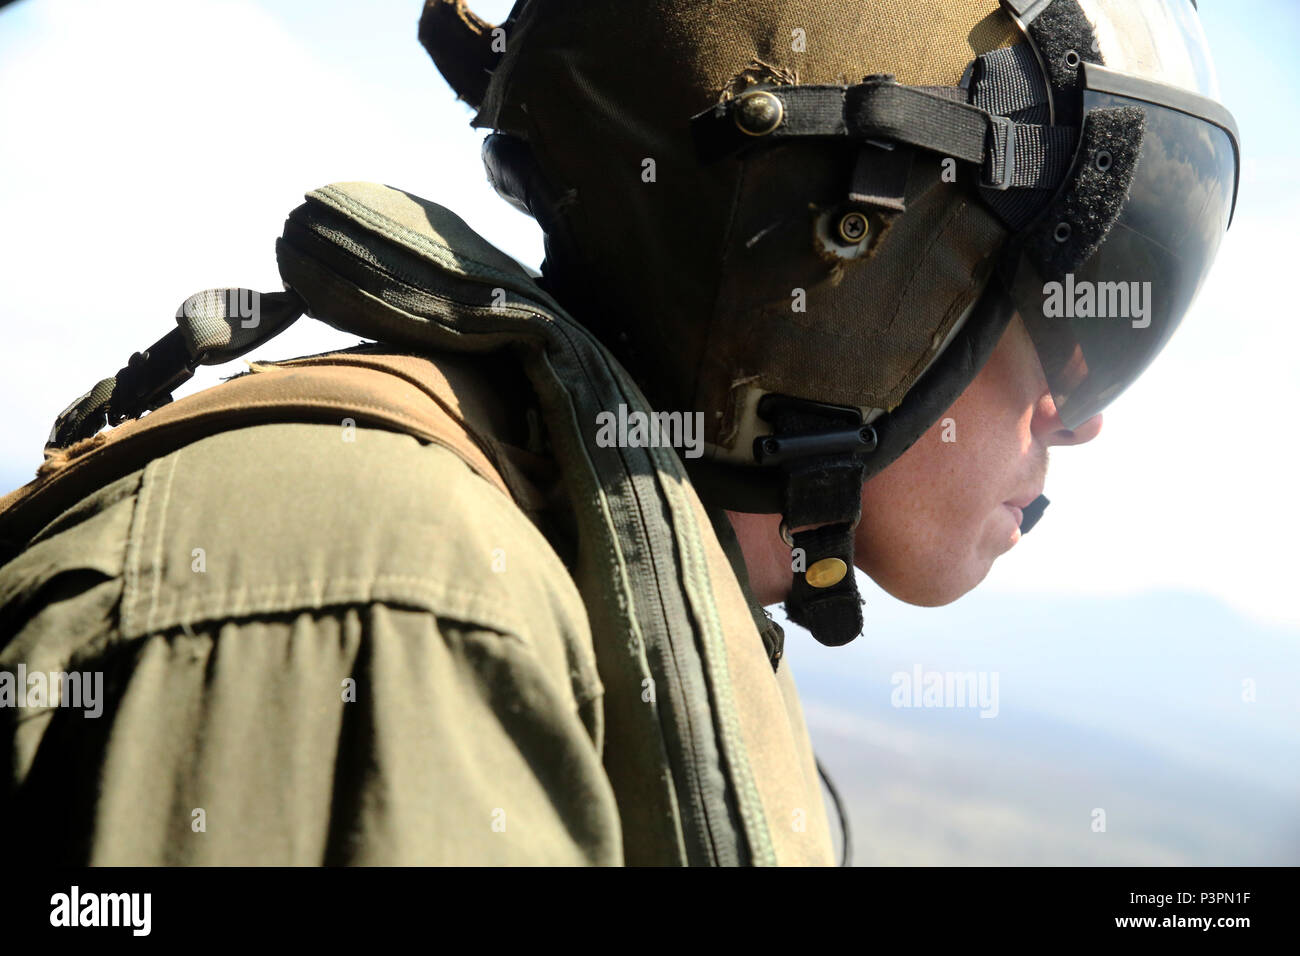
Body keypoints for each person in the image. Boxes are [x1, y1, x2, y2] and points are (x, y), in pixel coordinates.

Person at [0, 0, 1239, 865]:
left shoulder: (609, 587)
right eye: (1062, 330)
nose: (1071, 421)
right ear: (853, 248)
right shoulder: (393, 602)